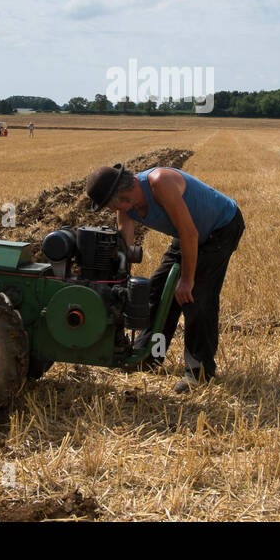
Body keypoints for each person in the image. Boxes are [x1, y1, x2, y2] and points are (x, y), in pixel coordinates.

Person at [86, 163, 244, 393]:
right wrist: (120, 282)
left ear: (122, 193)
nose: (111, 210)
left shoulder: (160, 183)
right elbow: (126, 249)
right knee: (157, 292)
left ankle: (199, 373)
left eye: (110, 205)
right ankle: (149, 355)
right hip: (187, 233)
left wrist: (187, 280)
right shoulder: (125, 208)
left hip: (219, 229)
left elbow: (190, 233)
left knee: (196, 297)